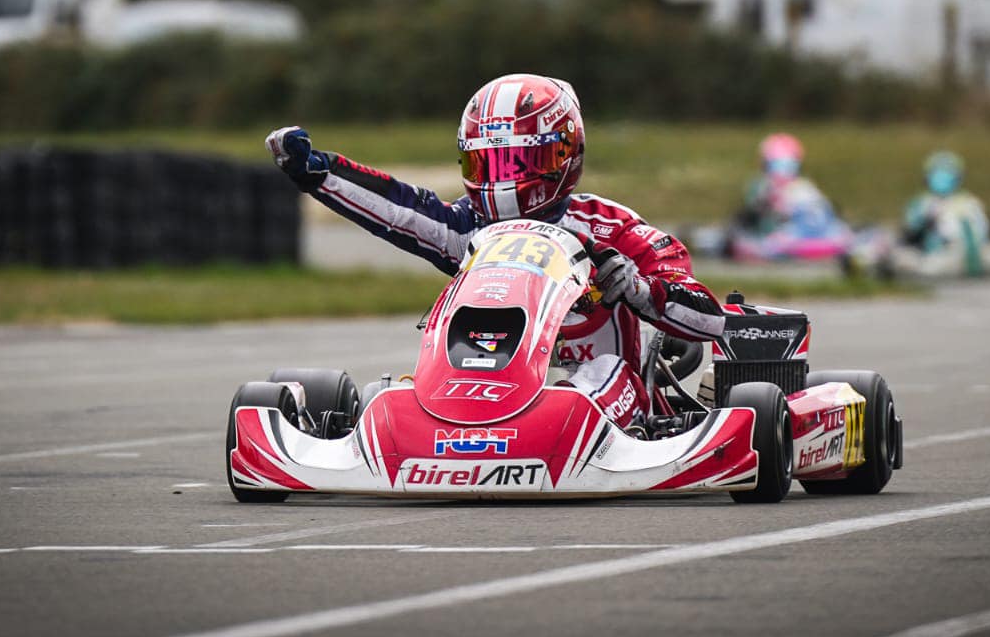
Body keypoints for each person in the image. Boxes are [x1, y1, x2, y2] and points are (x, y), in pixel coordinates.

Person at [265, 72, 726, 430]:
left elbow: (708, 319)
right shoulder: (470, 227)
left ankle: (556, 421)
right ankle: (432, 420)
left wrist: (636, 288)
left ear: (564, 155)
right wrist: (318, 174)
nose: (502, 179)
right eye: (488, 162)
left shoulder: (614, 228)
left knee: (595, 376)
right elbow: (400, 210)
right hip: (486, 382)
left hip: (603, 394)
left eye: (517, 162)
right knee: (379, 398)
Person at [896, 150, 990, 278]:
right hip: (939, 253)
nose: (942, 179)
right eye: (938, 174)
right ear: (928, 177)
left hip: (979, 251)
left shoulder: (969, 201)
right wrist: (927, 223)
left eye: (947, 173)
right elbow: (910, 232)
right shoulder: (923, 203)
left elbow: (985, 225)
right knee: (904, 257)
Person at [741, 132, 834, 236]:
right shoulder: (762, 186)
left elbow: (821, 209)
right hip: (773, 231)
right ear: (766, 165)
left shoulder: (803, 186)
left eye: (790, 165)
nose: (784, 171)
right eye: (777, 165)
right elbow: (755, 212)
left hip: (805, 230)